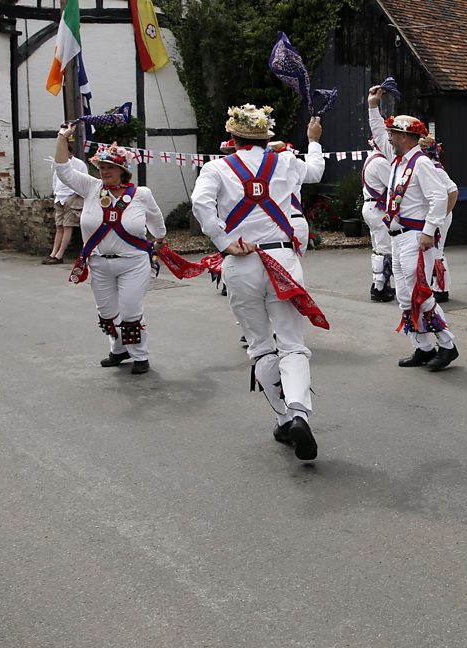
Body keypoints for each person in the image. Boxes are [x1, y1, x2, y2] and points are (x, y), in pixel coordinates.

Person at [191, 104, 325, 461]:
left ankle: (283, 417)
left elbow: (200, 203)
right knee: (292, 344)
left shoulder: (216, 168)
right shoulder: (284, 162)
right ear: (267, 138)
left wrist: (223, 242)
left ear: (231, 138)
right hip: (281, 259)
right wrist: (313, 141)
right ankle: (298, 413)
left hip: (241, 260)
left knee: (261, 346)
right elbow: (314, 172)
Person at [53, 127, 166, 375]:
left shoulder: (141, 194)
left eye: (109, 168)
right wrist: (62, 138)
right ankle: (119, 349)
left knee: (129, 311)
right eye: (101, 167)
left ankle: (140, 355)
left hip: (134, 262)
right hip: (99, 263)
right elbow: (63, 170)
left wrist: (159, 239)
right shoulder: (91, 188)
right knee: (106, 313)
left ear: (122, 171)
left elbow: (156, 219)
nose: (103, 172)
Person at [366, 86, 459, 371]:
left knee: (420, 293)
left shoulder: (421, 164)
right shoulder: (398, 161)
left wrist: (429, 231)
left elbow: (440, 196)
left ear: (405, 137)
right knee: (406, 296)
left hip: (415, 238)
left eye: (394, 133)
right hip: (399, 237)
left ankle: (447, 345)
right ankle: (423, 347)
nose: (389, 137)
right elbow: (379, 134)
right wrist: (373, 106)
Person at [419, 135, 460, 302]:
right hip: (436, 216)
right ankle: (436, 286)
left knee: (437, 251)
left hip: (440, 217)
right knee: (434, 251)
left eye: (421, 149)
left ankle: (441, 289)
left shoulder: (436, 170)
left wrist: (442, 215)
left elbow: (453, 191)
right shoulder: (429, 167)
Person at [361, 138, 396, 302]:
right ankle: (380, 288)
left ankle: (377, 283)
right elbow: (394, 185)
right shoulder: (381, 162)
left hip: (371, 207)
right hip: (378, 209)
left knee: (378, 248)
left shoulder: (371, 157)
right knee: (384, 249)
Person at [43, 140, 87, 264]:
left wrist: (74, 195)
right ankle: (53, 253)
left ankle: (60, 255)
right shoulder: (59, 164)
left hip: (71, 197)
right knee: (59, 227)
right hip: (60, 197)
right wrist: (56, 193)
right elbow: (55, 179)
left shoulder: (79, 164)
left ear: (68, 151)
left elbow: (84, 180)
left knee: (67, 226)